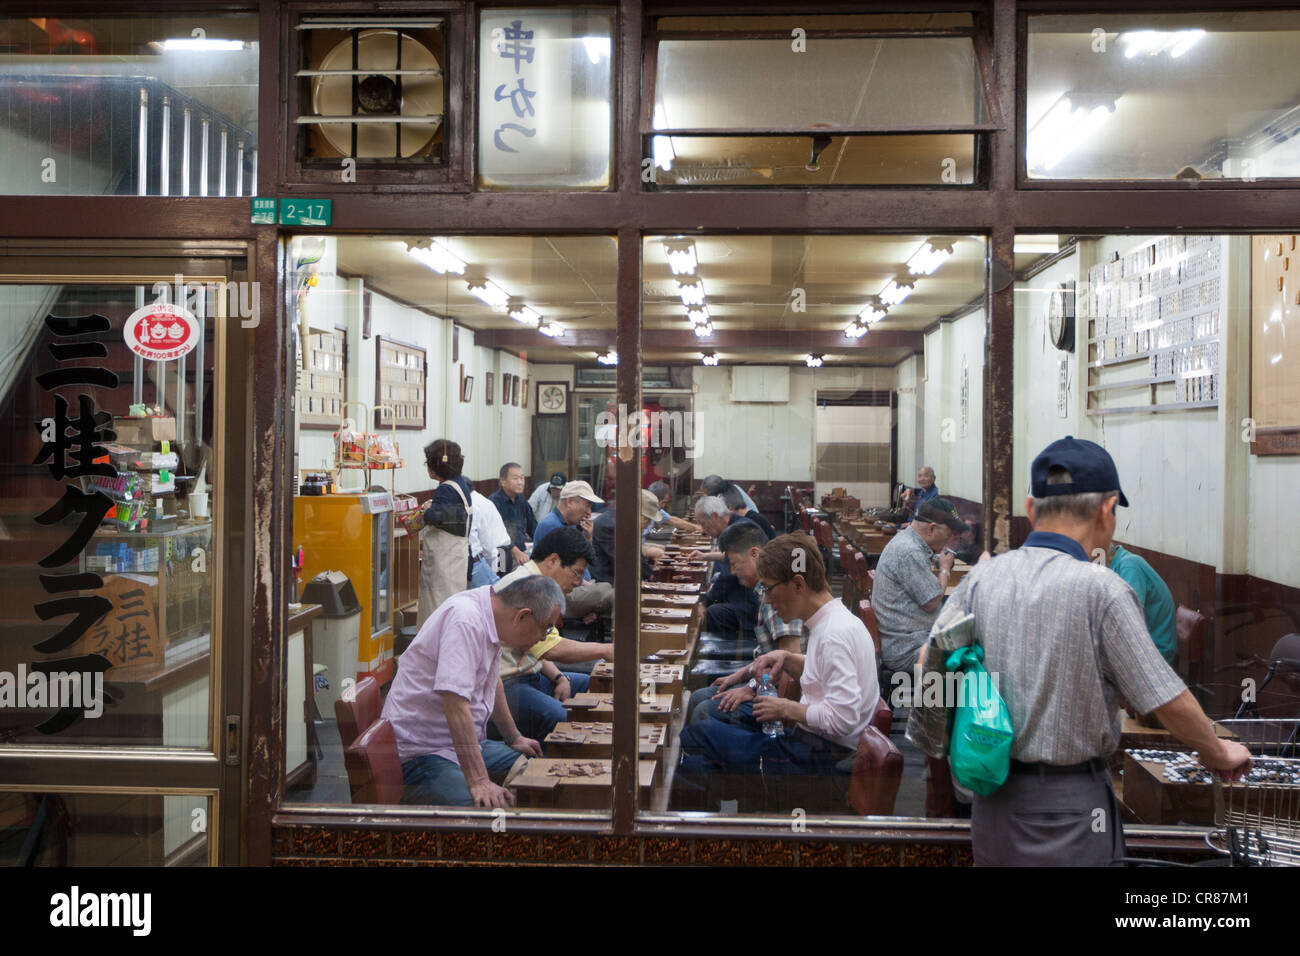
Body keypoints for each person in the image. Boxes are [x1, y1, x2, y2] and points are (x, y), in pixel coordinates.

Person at [914, 436, 1251, 866]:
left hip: (993, 802)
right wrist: (1219, 752)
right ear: (1107, 512)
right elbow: (1163, 694)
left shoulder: (983, 580)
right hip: (1073, 810)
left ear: (1031, 510)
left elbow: (927, 666)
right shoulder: (1104, 590)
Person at [675, 534, 878, 809]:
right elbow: (829, 674)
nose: (767, 599)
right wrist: (787, 657)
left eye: (769, 589)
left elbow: (843, 719)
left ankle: (698, 835)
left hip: (819, 766)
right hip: (816, 750)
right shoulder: (836, 621)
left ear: (798, 584)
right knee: (704, 754)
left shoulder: (834, 635)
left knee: (695, 738)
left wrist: (784, 709)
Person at [383, 575, 565, 807]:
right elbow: (455, 705)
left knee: (535, 776)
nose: (543, 637)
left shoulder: (490, 616)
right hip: (422, 753)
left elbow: (492, 680)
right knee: (484, 808)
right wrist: (479, 780)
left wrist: (513, 736)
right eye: (545, 628)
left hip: (456, 744)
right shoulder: (466, 620)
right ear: (522, 616)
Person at [491, 527, 612, 742]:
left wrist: (559, 677)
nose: (577, 583)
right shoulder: (525, 586)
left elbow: (537, 647)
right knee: (563, 721)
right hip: (508, 685)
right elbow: (552, 647)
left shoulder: (540, 585)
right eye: (576, 572)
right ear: (553, 561)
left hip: (532, 674)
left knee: (593, 683)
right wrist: (606, 650)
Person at [686, 520, 804, 726]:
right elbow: (768, 658)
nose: (732, 572)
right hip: (765, 681)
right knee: (698, 698)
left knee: (703, 709)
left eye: (734, 563)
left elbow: (789, 667)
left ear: (754, 554)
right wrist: (738, 676)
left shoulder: (777, 595)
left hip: (777, 700)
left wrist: (749, 688)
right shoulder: (764, 590)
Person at [873, 497, 970, 676]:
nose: (950, 541)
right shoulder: (909, 552)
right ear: (932, 528)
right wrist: (945, 570)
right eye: (949, 534)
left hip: (905, 640)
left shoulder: (906, 542)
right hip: (907, 649)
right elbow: (932, 601)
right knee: (974, 655)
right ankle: (945, 703)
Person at [417, 439, 473, 627]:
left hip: (445, 563)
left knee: (438, 614)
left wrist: (427, 511)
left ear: (435, 466)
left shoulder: (446, 488)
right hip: (458, 558)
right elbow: (455, 516)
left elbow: (441, 517)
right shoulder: (460, 484)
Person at [688, 495, 761, 641]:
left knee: (714, 612)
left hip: (754, 603)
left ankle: (725, 656)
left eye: (704, 524)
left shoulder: (740, 530)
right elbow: (730, 562)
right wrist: (706, 556)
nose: (703, 529)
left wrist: (705, 602)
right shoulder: (737, 525)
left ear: (715, 516)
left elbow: (729, 575)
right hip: (744, 593)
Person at [1108, 543, 1177, 663]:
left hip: (1156, 651)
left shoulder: (1129, 566)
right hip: (1141, 647)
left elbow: (1128, 620)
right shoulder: (1117, 565)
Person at [533, 479, 601, 551]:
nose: (589, 513)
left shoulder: (571, 524)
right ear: (570, 502)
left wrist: (588, 537)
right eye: (587, 506)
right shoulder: (551, 526)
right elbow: (572, 561)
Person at [490, 462, 536, 568]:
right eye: (515, 478)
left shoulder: (522, 500)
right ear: (503, 481)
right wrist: (515, 552)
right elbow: (497, 534)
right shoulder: (494, 502)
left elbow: (533, 527)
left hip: (522, 553)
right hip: (501, 554)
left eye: (522, 478)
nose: (520, 482)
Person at [468, 488, 512, 589]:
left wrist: (488, 565)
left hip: (498, 554)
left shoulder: (473, 505)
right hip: (503, 551)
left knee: (498, 592)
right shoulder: (482, 500)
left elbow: (487, 545)